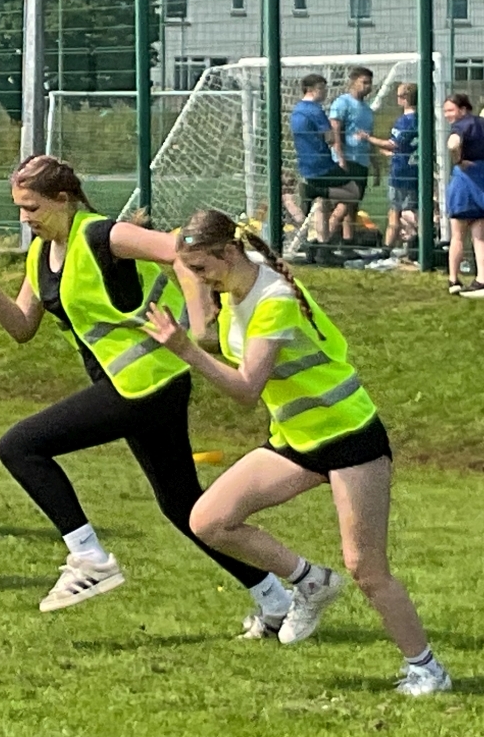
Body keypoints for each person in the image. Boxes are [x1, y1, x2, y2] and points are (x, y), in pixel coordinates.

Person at [0, 154, 290, 624]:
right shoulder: (41, 255)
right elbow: (22, 327)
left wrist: (200, 323)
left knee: (20, 446)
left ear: (63, 199)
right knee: (183, 506)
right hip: (142, 386)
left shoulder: (103, 234)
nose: (24, 219)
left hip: (145, 385)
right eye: (19, 209)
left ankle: (89, 557)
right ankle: (279, 597)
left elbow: (179, 251)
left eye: (32, 208)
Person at [142, 208, 451, 696]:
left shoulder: (275, 299)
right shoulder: (237, 292)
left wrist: (186, 351)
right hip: (296, 440)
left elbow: (247, 389)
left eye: (201, 269)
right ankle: (310, 581)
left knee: (367, 569)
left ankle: (428, 671)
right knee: (209, 520)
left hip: (348, 436)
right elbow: (227, 346)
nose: (198, 280)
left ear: (229, 252)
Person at [289, 74, 359, 244]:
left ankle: (322, 244)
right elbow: (330, 138)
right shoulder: (315, 110)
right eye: (322, 88)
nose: (325, 92)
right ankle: (314, 191)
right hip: (322, 165)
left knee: (322, 205)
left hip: (305, 165)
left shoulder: (297, 110)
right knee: (353, 191)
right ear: (311, 90)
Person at [360, 84, 419, 252]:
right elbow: (408, 147)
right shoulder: (422, 119)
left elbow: (393, 144)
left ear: (405, 98)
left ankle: (388, 248)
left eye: (399, 96)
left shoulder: (405, 121)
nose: (397, 99)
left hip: (401, 172)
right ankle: (410, 245)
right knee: (408, 208)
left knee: (397, 211)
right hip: (414, 168)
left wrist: (368, 138)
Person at [327, 67, 377, 244]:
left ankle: (347, 242)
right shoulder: (342, 103)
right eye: (364, 82)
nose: (368, 86)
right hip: (345, 160)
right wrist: (340, 157)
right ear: (353, 82)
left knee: (353, 206)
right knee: (343, 203)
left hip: (361, 161)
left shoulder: (367, 109)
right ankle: (323, 242)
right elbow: (335, 131)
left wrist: (375, 164)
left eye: (370, 83)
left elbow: (369, 138)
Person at [442, 93, 484, 298]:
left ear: (463, 109)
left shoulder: (461, 125)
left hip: (464, 181)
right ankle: (482, 279)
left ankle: (453, 280)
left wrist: (457, 160)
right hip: (481, 179)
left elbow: (452, 144)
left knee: (457, 235)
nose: (447, 115)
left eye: (450, 110)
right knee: (480, 236)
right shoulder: (481, 124)